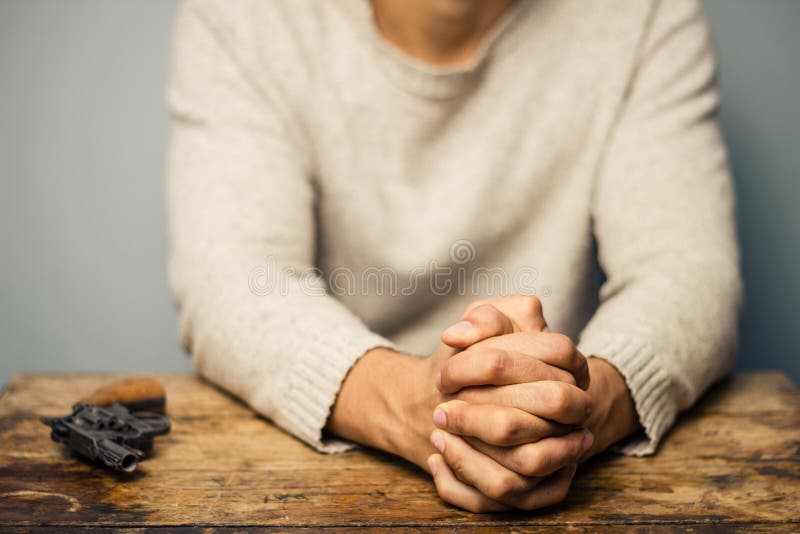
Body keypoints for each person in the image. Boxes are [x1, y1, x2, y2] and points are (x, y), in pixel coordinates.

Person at [166, 0, 741, 512]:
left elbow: (686, 270)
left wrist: (577, 412)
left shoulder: (647, 16)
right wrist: (414, 403)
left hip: (559, 421)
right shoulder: (238, 17)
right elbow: (234, 277)